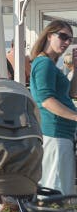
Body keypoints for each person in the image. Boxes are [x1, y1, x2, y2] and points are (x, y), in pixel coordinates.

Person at [29, 20, 76, 196]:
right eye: (63, 36)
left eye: (69, 40)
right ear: (49, 35)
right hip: (55, 134)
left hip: (60, 134)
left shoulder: (50, 64)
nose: (66, 42)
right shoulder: (44, 63)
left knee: (58, 190)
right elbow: (46, 100)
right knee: (56, 193)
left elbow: (70, 93)